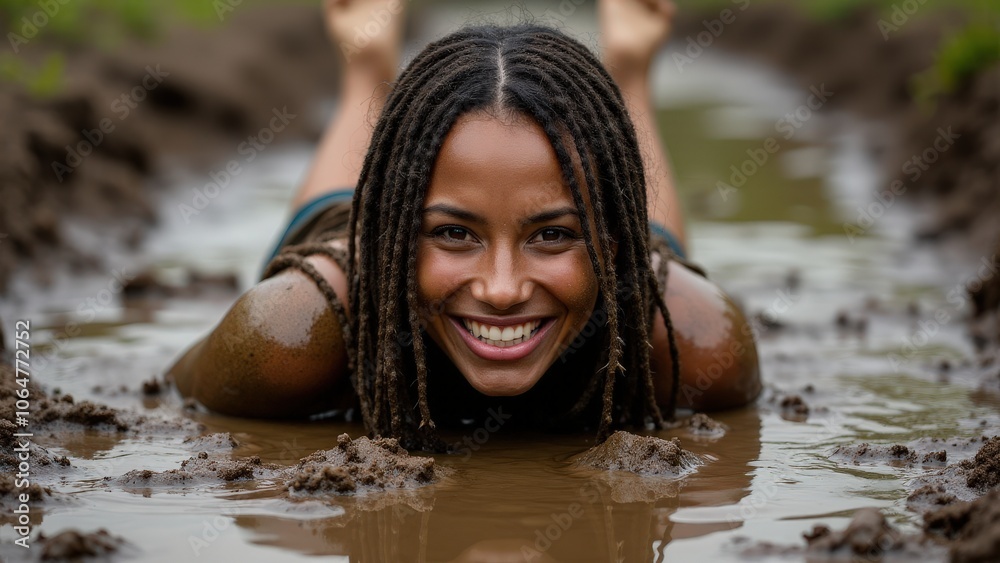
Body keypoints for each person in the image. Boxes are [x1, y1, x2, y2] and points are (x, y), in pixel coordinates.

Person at [168, 0, 761, 450]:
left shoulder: (697, 337)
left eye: (552, 234)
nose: (501, 290)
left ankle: (631, 68)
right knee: (334, 215)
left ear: (610, 243)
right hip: (359, 275)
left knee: (633, 227)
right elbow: (167, 393)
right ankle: (365, 64)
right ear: (393, 234)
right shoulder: (287, 334)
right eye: (455, 233)